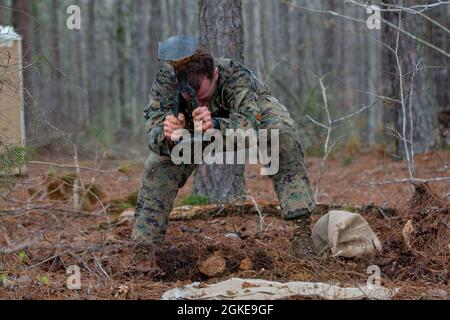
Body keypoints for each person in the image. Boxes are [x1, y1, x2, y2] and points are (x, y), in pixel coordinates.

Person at [132, 36, 317, 259]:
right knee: (158, 163)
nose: (199, 105)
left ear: (215, 75)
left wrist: (215, 125)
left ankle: (302, 234)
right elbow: (152, 130)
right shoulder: (167, 78)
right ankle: (144, 249)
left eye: (203, 98)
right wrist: (168, 135)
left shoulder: (235, 75)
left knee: (281, 137)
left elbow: (248, 129)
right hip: (192, 126)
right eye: (193, 100)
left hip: (248, 116)